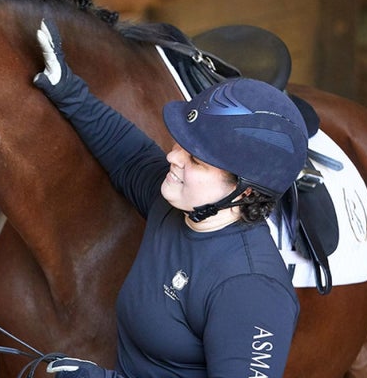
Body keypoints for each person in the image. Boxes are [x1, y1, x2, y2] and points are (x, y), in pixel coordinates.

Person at [32, 19, 307, 378]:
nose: (173, 158)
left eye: (195, 159)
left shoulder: (250, 289)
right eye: (181, 144)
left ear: (246, 191)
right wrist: (66, 88)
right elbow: (125, 152)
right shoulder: (175, 206)